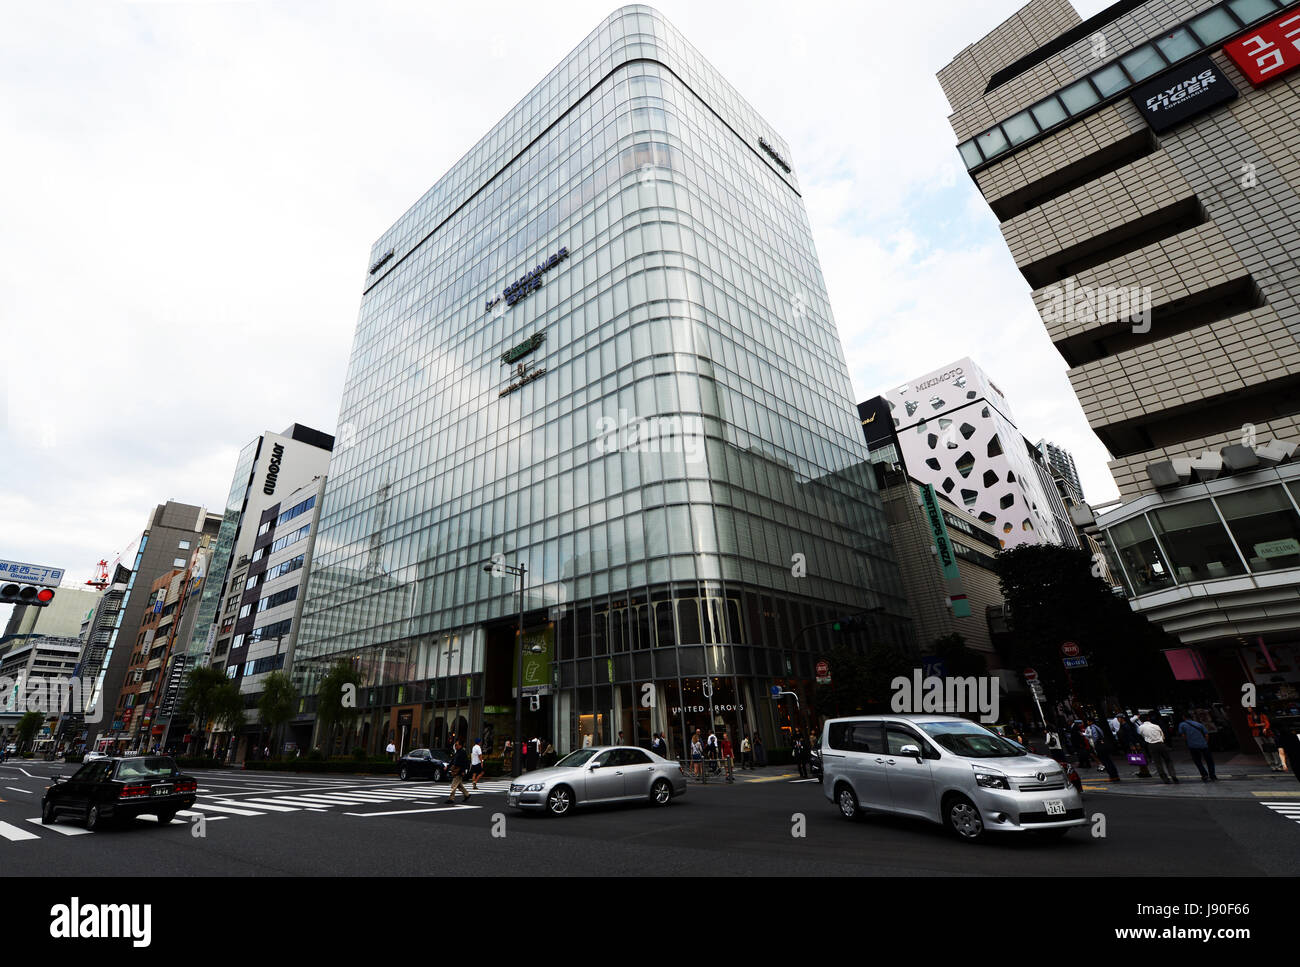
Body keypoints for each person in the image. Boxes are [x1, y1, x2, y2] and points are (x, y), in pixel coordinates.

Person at [1137, 714, 1178, 783]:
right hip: (1161, 744)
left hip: (1151, 745)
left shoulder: (1140, 727)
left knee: (1158, 763)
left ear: (1141, 720)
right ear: (1149, 719)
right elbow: (1163, 736)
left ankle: (1165, 779)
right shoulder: (1156, 726)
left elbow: (1142, 736)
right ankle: (1173, 775)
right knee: (1168, 760)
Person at [1178, 711, 1217, 781]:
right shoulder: (1199, 724)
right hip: (1204, 745)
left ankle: (1204, 775)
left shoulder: (1182, 724)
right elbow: (1206, 735)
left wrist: (1188, 742)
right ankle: (1213, 775)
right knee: (1209, 761)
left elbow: (1183, 736)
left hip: (1192, 746)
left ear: (1184, 717)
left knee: (1198, 761)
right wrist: (1205, 742)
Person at [1085, 717, 1120, 781]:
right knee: (1108, 761)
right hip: (1102, 745)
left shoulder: (1092, 728)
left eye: (1088, 721)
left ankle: (1113, 776)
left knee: (1105, 761)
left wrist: (1094, 745)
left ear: (1091, 722)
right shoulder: (1097, 727)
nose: (1087, 722)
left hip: (1099, 746)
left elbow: (1095, 737)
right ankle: (1115, 775)